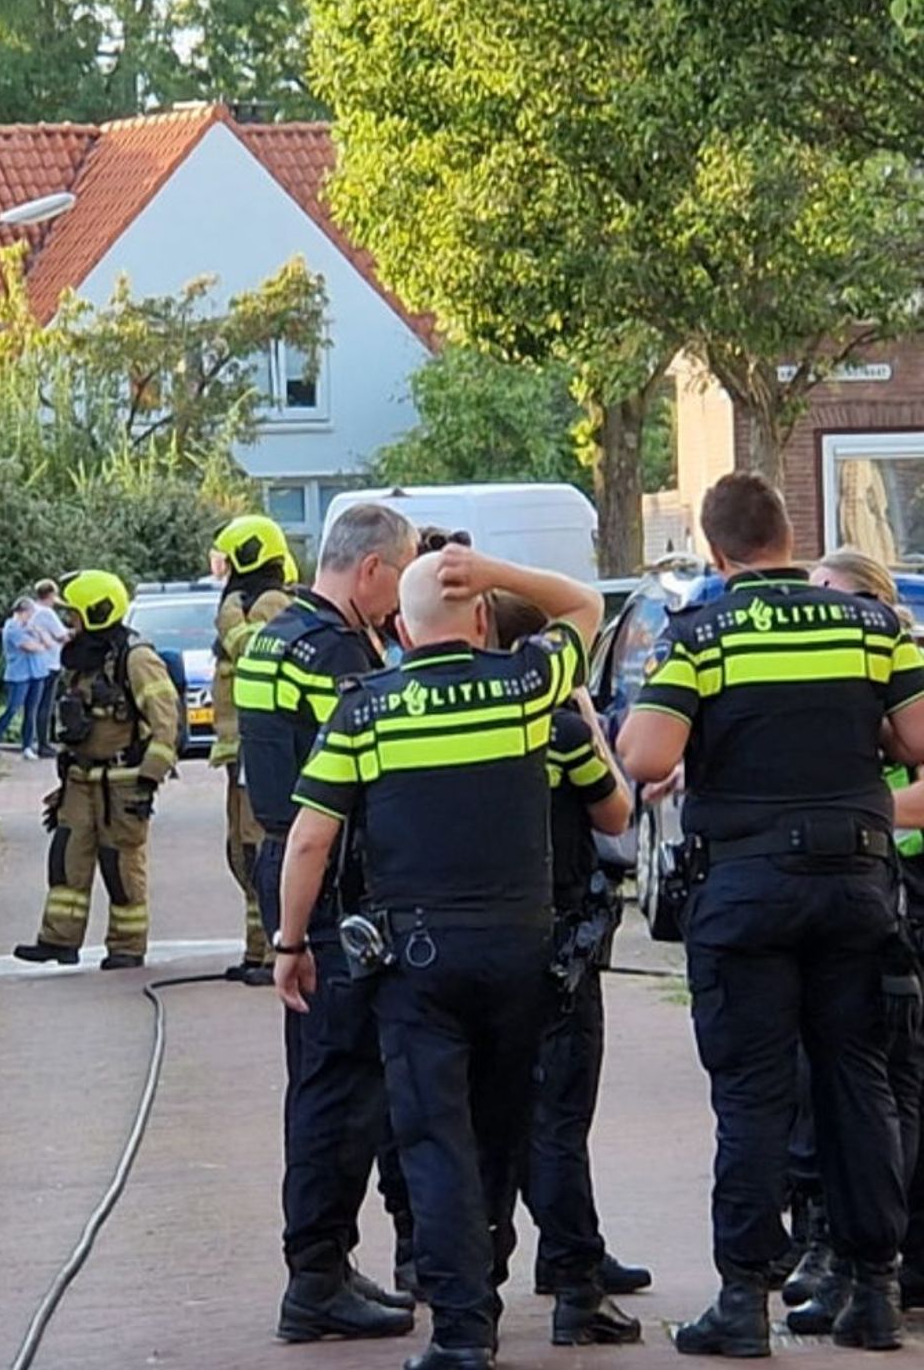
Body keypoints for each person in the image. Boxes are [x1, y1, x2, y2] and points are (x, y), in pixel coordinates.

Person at [618, 473, 924, 1357]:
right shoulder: (875, 625)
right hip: (858, 888)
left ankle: (745, 1301)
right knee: (859, 1083)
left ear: (716, 551)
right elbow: (916, 741)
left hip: (749, 892)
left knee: (753, 1096)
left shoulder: (702, 633)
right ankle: (874, 1291)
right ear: (790, 537)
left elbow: (645, 754)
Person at [277, 545, 603, 1369]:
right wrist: (497, 569)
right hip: (519, 955)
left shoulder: (366, 710)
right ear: (483, 615)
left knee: (433, 1140)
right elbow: (583, 606)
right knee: (499, 1133)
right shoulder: (527, 689)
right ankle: (486, 1282)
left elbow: (312, 836)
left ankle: (462, 1332)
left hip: (418, 960)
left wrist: (289, 942)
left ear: (398, 626)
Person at [236, 502, 419, 1343]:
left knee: (320, 1073)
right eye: (398, 578)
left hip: (286, 860)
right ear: (372, 568)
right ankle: (315, 1273)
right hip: (334, 875)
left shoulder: (275, 636)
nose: (395, 603)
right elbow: (371, 768)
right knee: (341, 1084)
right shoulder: (340, 652)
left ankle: (327, 1263)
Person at [489, 594, 648, 1339]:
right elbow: (616, 815)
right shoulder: (557, 729)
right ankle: (576, 1276)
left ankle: (539, 1253)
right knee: (559, 1114)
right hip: (557, 944)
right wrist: (584, 716)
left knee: (498, 1113)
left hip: (477, 943)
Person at [773, 547, 924, 1334]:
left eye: (833, 595)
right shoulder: (832, 682)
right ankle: (830, 1245)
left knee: (885, 1087)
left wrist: (851, 812)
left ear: (870, 601)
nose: (818, 609)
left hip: (904, 902)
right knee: (823, 1086)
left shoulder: (903, 673)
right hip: (854, 891)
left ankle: (872, 1259)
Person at [13, 570, 181, 970]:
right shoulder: (83, 660)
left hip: (124, 783)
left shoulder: (135, 658)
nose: (71, 625)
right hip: (80, 780)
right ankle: (59, 941)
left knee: (120, 865)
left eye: (76, 617)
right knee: (67, 856)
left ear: (97, 613)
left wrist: (149, 780)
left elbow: (166, 721)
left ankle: (126, 946)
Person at [209, 515, 295, 985]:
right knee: (242, 849)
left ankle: (273, 950)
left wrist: (229, 619)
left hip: (258, 748)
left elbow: (253, 650)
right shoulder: (248, 601)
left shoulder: (272, 603)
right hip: (238, 751)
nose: (221, 570)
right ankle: (255, 949)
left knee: (261, 847)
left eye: (227, 558)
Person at [0, 596, 46, 760]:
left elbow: (45, 643)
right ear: (23, 612)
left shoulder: (29, 628)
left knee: (31, 710)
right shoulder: (12, 628)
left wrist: (39, 636)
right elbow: (29, 646)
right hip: (18, 674)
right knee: (13, 708)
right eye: (31, 613)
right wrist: (39, 644)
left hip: (36, 672)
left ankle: (27, 745)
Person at [31, 580, 69, 759]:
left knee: (35, 704)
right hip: (50, 663)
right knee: (46, 705)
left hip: (36, 663)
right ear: (51, 595)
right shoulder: (47, 613)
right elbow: (62, 635)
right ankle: (44, 743)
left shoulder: (32, 610)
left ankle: (33, 741)